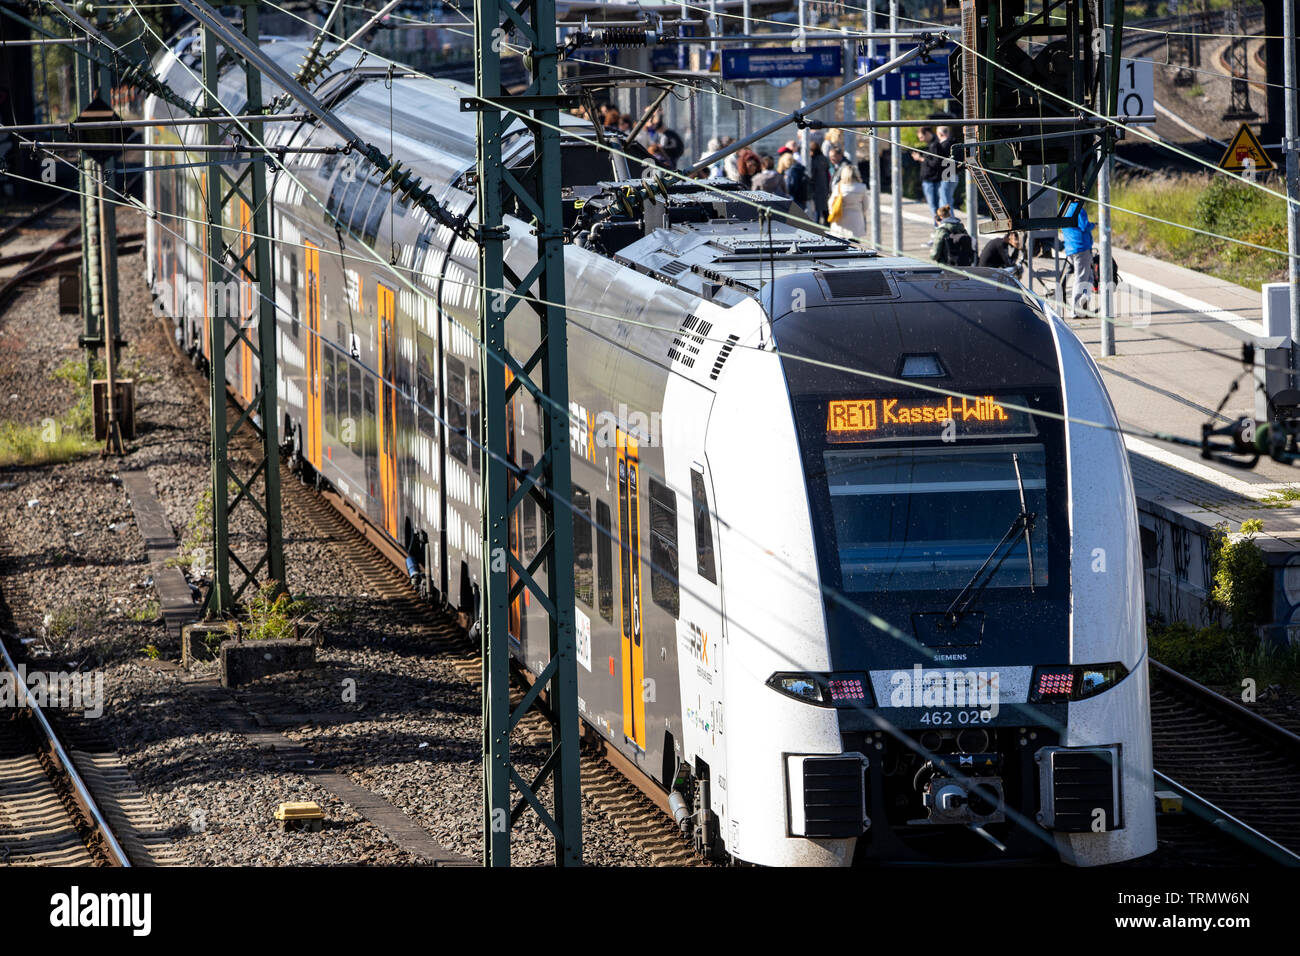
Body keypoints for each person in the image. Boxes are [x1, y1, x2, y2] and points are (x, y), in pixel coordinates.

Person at [1061, 200, 1095, 316]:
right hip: (1081, 248)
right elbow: (1084, 226)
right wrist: (1094, 225)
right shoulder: (1078, 209)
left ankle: (1085, 298)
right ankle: (1075, 309)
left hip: (1070, 247)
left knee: (1089, 276)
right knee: (1081, 278)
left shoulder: (1064, 207)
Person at [910, 126, 946, 217]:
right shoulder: (930, 145)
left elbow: (936, 163)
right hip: (930, 180)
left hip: (932, 181)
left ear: (927, 134)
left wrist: (921, 159)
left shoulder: (935, 145)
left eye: (922, 137)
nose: (921, 140)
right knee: (935, 206)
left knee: (934, 206)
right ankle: (940, 226)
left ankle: (939, 227)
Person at [828, 164, 870, 240]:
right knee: (855, 245)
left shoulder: (839, 187)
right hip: (856, 219)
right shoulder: (862, 187)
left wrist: (832, 212)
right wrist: (862, 213)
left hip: (840, 219)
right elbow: (866, 205)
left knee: (840, 245)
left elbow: (831, 203)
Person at [935, 126, 958, 211]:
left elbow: (939, 161)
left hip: (947, 174)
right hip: (953, 174)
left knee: (945, 200)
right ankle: (948, 218)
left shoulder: (944, 145)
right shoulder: (954, 144)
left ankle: (948, 219)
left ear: (940, 134)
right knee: (948, 198)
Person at [810, 138, 831, 224]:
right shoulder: (824, 158)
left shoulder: (813, 161)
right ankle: (828, 224)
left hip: (816, 187)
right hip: (824, 185)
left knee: (817, 209)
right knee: (825, 208)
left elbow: (812, 174)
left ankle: (817, 225)